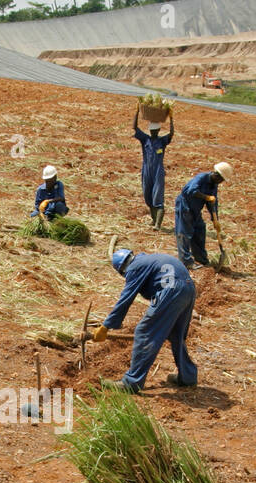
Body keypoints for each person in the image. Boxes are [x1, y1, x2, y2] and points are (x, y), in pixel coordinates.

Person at [85, 248, 197, 394]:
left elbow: (125, 299)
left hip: (171, 290)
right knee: (176, 334)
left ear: (121, 270)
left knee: (144, 332)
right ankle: (188, 376)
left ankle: (131, 382)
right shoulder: (147, 260)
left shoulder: (134, 268)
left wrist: (106, 327)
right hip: (188, 288)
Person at [174, 162, 232, 270]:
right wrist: (206, 197)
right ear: (217, 175)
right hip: (185, 206)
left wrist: (215, 220)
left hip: (196, 210)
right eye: (222, 180)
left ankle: (201, 258)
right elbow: (191, 191)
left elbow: (212, 202)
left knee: (200, 230)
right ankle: (186, 261)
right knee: (184, 233)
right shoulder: (201, 177)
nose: (221, 182)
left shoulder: (214, 186)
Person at [133, 107, 173, 228]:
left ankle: (158, 224)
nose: (153, 133)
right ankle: (153, 218)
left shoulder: (162, 141)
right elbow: (135, 127)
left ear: (159, 130)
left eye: (155, 131)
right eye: (152, 131)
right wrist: (137, 111)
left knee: (158, 196)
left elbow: (171, 133)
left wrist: (171, 118)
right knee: (147, 195)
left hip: (158, 171)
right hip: (146, 170)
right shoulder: (145, 140)